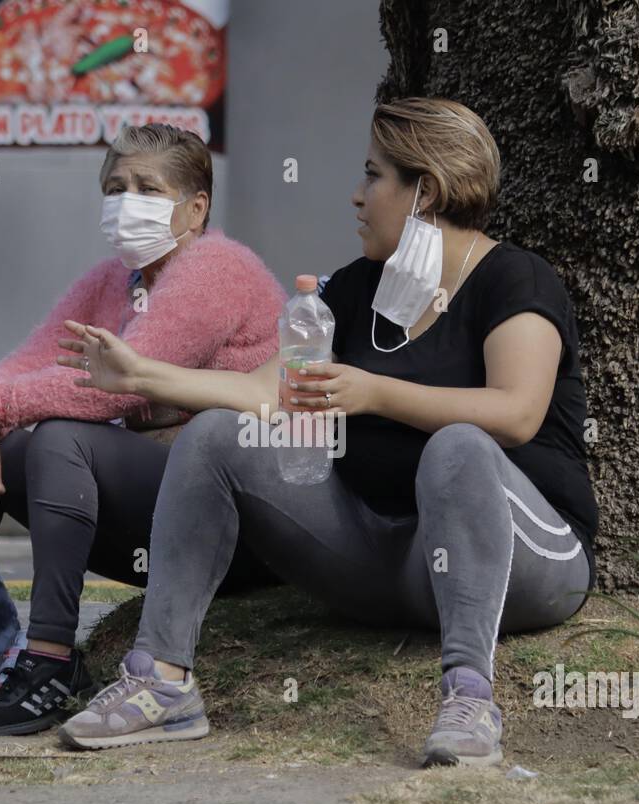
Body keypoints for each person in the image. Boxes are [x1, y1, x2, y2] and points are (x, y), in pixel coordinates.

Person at [53, 98, 600, 767]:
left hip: (528, 562)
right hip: (388, 562)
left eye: (374, 176)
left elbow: (517, 411)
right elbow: (262, 391)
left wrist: (373, 392)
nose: (357, 195)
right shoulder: (352, 291)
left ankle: (469, 697)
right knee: (219, 434)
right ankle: (162, 683)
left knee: (457, 446)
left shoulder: (515, 278)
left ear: (422, 190)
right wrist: (140, 375)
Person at [0, 124, 285, 736]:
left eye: (147, 188)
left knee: (54, 436)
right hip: (158, 511)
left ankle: (48, 661)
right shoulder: (113, 280)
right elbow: (29, 360)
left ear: (196, 206)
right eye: (114, 187)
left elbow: (110, 384)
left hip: (234, 532)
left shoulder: (217, 268)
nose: (126, 201)